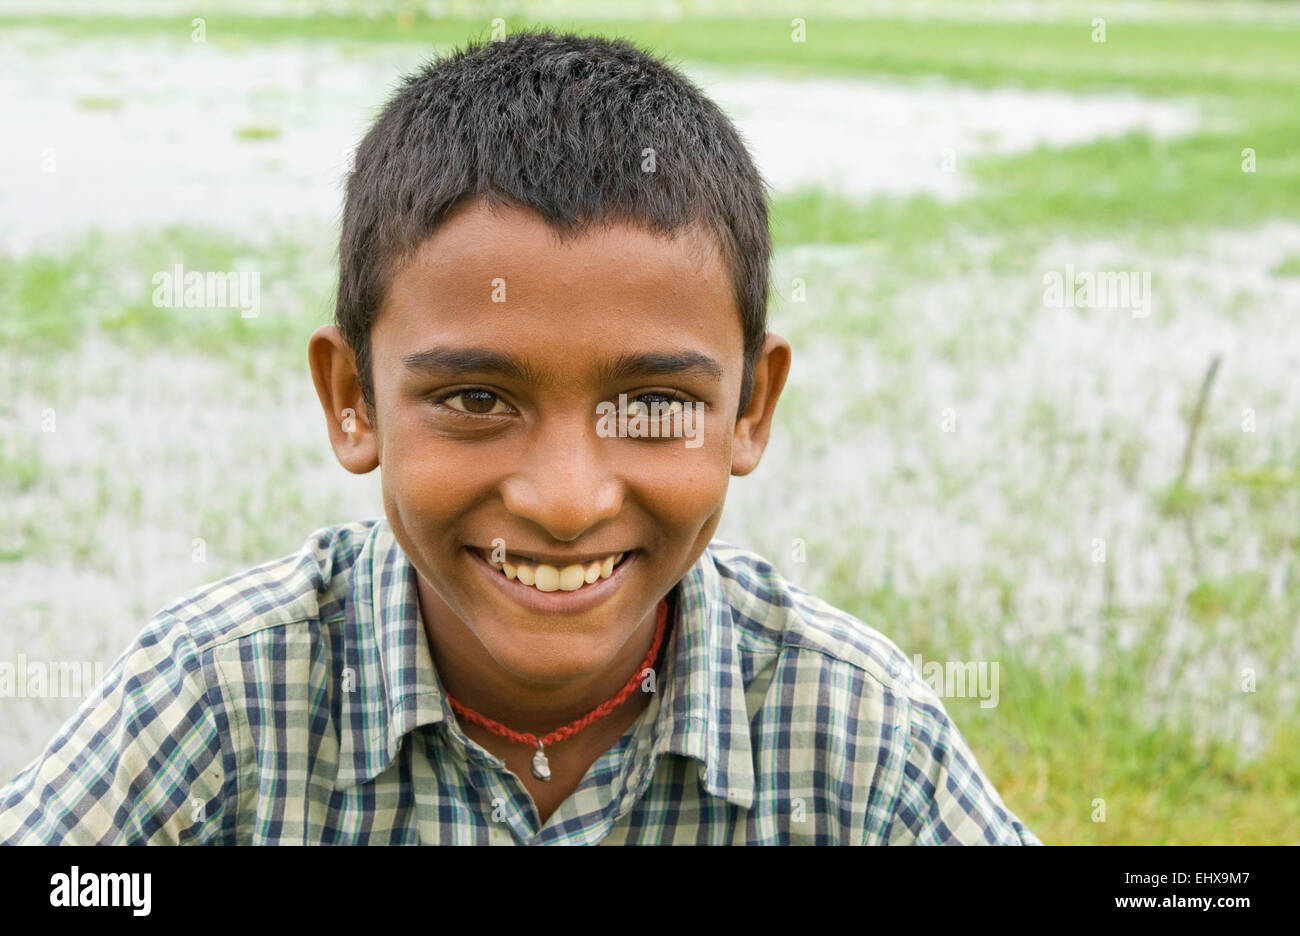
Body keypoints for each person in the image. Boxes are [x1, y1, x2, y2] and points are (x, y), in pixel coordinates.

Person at [0, 29, 1040, 845]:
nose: (565, 498)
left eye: (652, 406)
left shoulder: (854, 735)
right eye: (476, 400)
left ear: (749, 409)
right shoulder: (216, 698)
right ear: (351, 396)